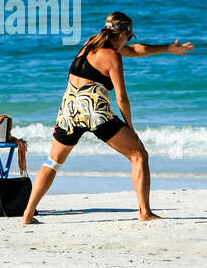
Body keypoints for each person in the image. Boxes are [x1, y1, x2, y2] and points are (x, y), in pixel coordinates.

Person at [21, 12, 193, 224]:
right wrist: (130, 126)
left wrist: (166, 48)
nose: (129, 41)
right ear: (123, 33)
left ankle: (27, 215)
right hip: (94, 111)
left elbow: (134, 50)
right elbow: (121, 98)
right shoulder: (113, 57)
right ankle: (145, 213)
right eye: (129, 36)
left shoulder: (90, 44)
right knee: (139, 154)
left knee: (53, 162)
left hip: (69, 110)